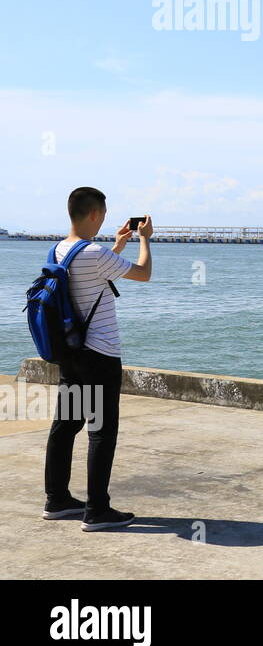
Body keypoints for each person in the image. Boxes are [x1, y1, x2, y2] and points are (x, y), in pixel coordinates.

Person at [44, 187, 152, 531]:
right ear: (94, 214)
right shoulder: (95, 253)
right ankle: (97, 511)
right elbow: (143, 273)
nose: (104, 219)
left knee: (66, 426)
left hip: (71, 353)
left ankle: (57, 500)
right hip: (100, 355)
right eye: (103, 215)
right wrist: (145, 240)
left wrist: (117, 246)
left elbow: (88, 273)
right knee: (102, 433)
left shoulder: (58, 249)